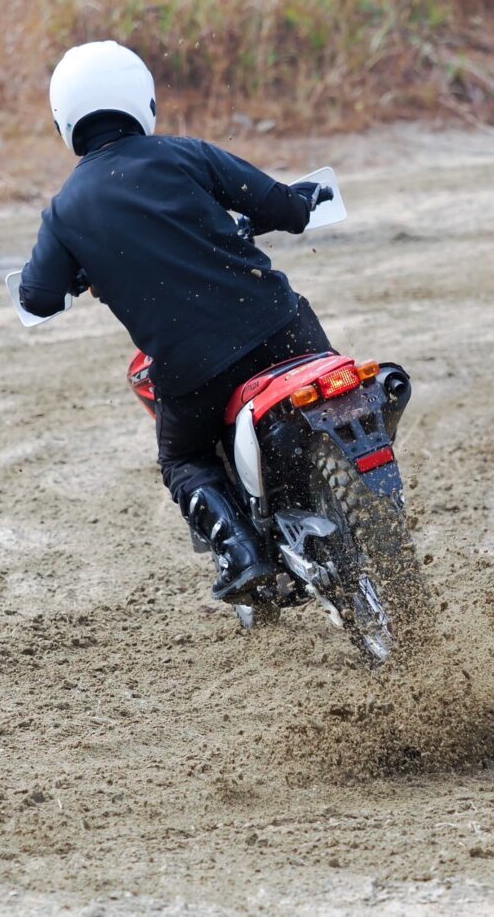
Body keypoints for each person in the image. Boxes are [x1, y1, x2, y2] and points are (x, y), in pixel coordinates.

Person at [20, 40, 334, 602]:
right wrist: (305, 200)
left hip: (194, 371)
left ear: (63, 119)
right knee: (331, 392)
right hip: (282, 327)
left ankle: (243, 555)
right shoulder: (185, 154)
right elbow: (281, 208)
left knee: (182, 458)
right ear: (143, 99)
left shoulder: (65, 210)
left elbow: (39, 298)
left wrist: (79, 271)